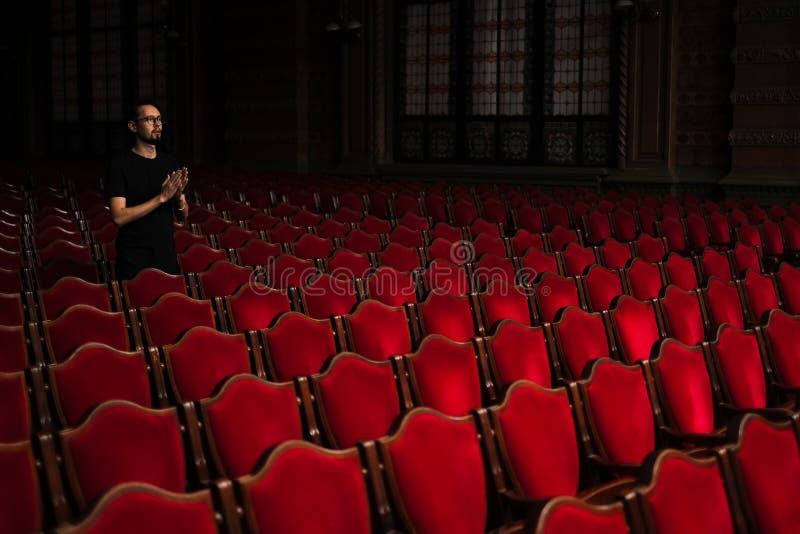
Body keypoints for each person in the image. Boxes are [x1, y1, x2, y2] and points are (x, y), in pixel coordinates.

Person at [105, 101, 189, 281]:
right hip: (134, 261)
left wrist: (179, 200)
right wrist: (161, 198)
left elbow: (182, 217)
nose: (157, 124)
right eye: (150, 119)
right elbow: (119, 217)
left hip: (166, 257)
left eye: (159, 119)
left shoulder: (169, 162)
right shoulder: (120, 164)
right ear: (133, 126)